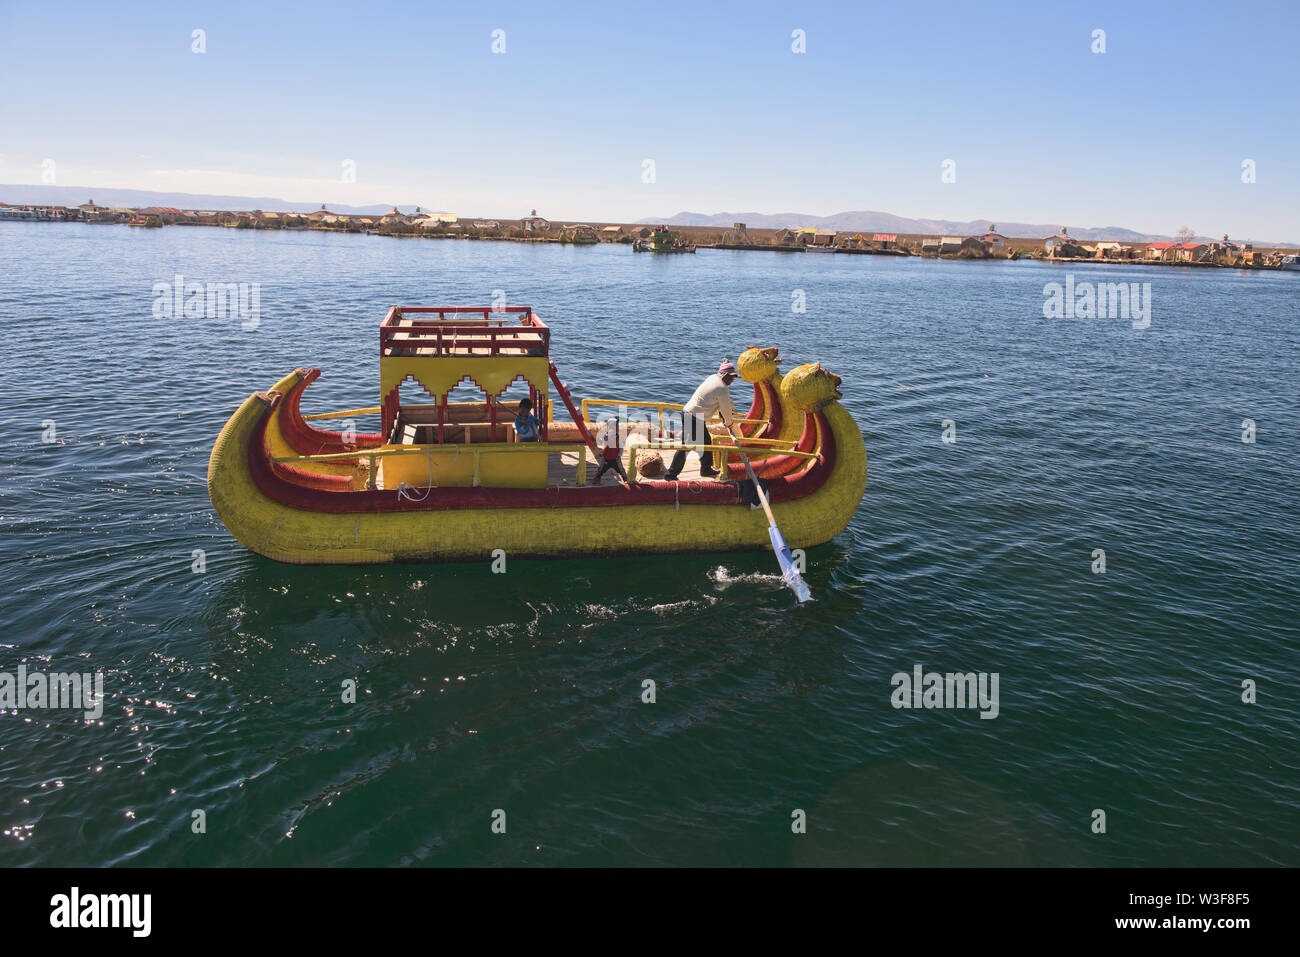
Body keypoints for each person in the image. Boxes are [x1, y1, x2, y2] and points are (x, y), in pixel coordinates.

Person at [664, 359, 741, 481]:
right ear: (724, 375)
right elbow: (725, 410)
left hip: (690, 414)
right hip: (694, 417)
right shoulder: (722, 388)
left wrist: (724, 417)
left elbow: (718, 404)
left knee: (706, 442)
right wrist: (729, 423)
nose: (732, 380)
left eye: (734, 377)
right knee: (686, 446)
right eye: (731, 377)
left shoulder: (712, 378)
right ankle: (671, 474)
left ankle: (706, 469)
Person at [593, 416, 629, 484]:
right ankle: (597, 479)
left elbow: (621, 448)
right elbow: (603, 444)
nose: (612, 429)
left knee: (621, 469)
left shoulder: (618, 438)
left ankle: (625, 478)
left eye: (615, 428)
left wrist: (619, 455)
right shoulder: (606, 436)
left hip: (615, 458)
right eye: (610, 427)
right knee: (601, 469)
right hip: (606, 457)